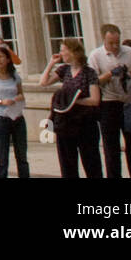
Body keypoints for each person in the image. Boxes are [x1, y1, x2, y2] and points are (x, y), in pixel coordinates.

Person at [39, 39, 103, 178]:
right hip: (66, 122)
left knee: (91, 162)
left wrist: (74, 101)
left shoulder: (89, 73)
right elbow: (43, 82)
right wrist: (51, 63)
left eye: (63, 50)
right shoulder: (64, 70)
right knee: (67, 164)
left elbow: (94, 100)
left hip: (85, 122)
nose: (61, 53)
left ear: (73, 51)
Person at [88, 24, 131, 178]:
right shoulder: (96, 55)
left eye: (117, 42)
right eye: (110, 43)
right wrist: (110, 74)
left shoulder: (130, 53)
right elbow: (92, 82)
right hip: (108, 104)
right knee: (111, 149)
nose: (114, 46)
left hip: (129, 102)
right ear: (103, 40)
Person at [0, 46, 29, 178]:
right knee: (2, 156)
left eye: (1, 57)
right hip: (0, 118)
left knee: (21, 155)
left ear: (8, 59)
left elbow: (21, 94)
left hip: (16, 116)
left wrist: (17, 99)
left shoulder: (15, 76)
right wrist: (1, 102)